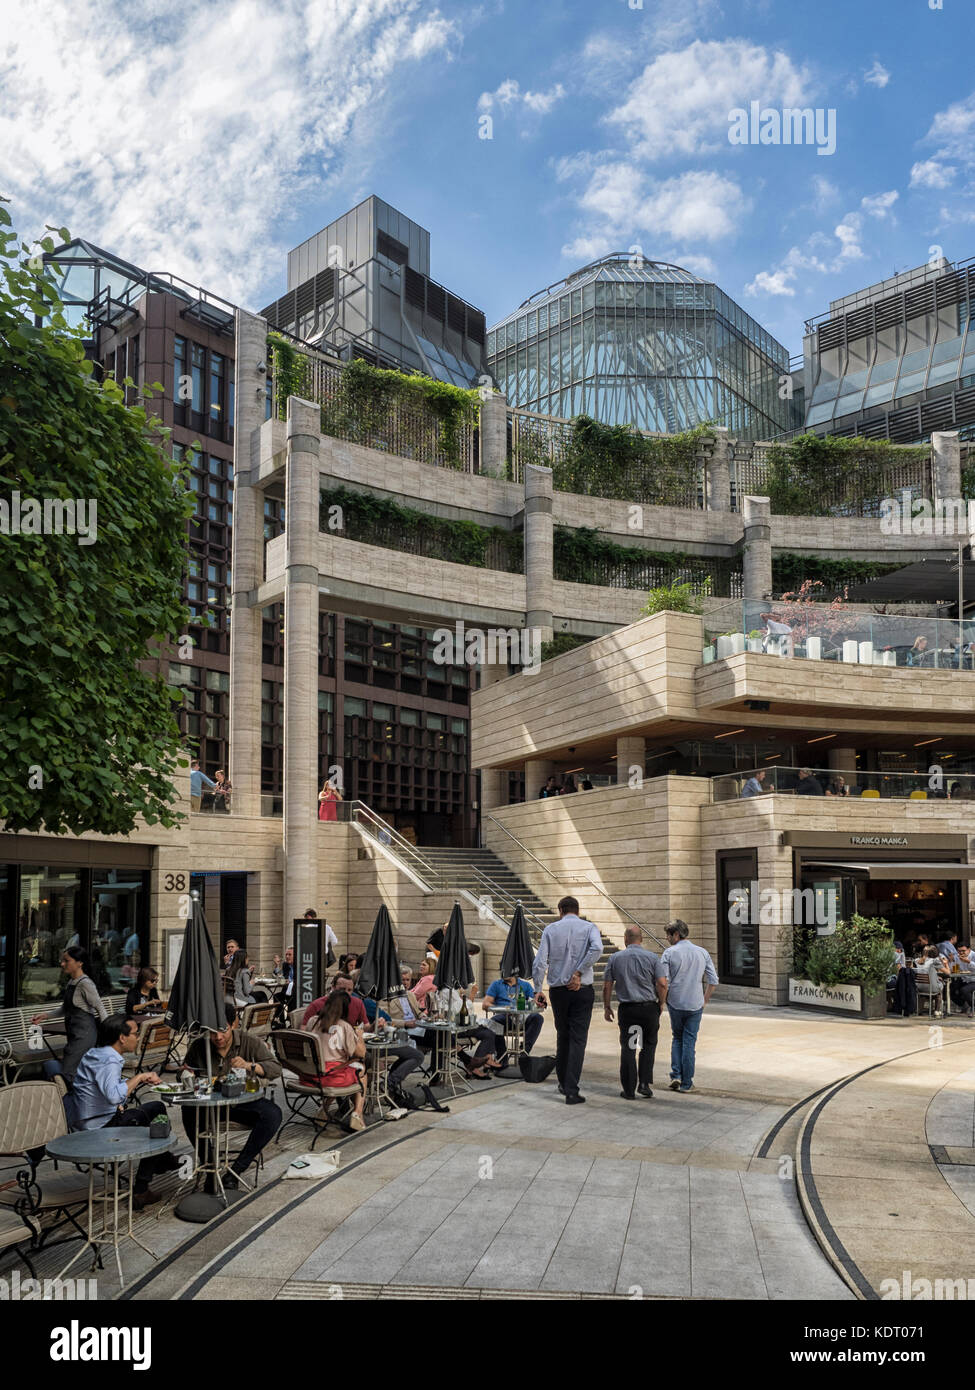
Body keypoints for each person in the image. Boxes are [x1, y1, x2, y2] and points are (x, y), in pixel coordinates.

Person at [70, 1016, 178, 1209]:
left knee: (153, 1110)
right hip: (100, 1129)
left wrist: (135, 1082)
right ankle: (143, 1187)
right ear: (122, 1037)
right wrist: (140, 1077)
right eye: (135, 1034)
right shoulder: (110, 1059)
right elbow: (113, 1096)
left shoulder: (96, 1053)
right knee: (156, 1125)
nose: (137, 1038)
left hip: (88, 1122)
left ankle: (163, 1160)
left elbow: (108, 1092)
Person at [183, 1003, 283, 1186]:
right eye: (212, 1032)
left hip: (242, 1103)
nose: (218, 1037)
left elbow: (275, 1068)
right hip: (211, 1106)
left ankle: (235, 1171)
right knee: (188, 1110)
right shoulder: (199, 1046)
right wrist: (188, 1076)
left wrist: (249, 1066)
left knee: (272, 1114)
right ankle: (210, 1167)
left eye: (223, 1030)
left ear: (233, 1024)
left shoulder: (248, 1041)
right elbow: (186, 1071)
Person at [532, 896, 600, 1105]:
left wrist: (537, 989)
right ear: (577, 910)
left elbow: (540, 962)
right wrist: (579, 972)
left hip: (559, 991)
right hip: (582, 990)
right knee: (578, 1039)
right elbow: (597, 949)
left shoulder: (551, 930)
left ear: (560, 910)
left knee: (563, 1035)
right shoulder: (589, 928)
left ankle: (562, 1083)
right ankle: (571, 1089)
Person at [32, 947, 108, 1088]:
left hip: (84, 1036)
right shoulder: (72, 982)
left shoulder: (85, 983)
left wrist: (109, 1033)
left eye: (66, 961)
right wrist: (45, 1016)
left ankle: (72, 1103)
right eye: (62, 960)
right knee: (74, 1071)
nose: (62, 964)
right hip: (74, 1034)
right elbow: (65, 1009)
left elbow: (100, 1008)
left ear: (79, 963)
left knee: (69, 1071)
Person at [658, 920, 718, 1095]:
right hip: (695, 1003)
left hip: (676, 1002)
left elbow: (664, 981)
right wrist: (704, 1000)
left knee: (677, 1038)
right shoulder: (702, 952)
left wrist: (663, 1001)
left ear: (676, 934)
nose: (667, 938)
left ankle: (675, 1074)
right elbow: (713, 980)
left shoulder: (669, 953)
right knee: (689, 1042)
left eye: (668, 935)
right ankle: (686, 1083)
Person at [602, 927, 662, 1100]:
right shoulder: (652, 958)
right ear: (641, 939)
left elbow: (607, 985)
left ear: (626, 939)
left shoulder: (615, 958)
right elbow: (662, 984)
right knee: (648, 1045)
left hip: (628, 1010)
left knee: (629, 1047)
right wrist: (662, 1003)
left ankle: (628, 1090)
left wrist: (607, 1006)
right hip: (649, 1008)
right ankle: (644, 1084)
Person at [306, 992, 367, 1131]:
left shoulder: (313, 1021)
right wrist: (360, 1036)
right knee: (361, 1070)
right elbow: (361, 1053)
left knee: (338, 1070)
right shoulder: (344, 1026)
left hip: (310, 1075)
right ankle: (358, 1113)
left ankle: (323, 1110)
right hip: (331, 1077)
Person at [482, 971, 544, 1063]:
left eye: (506, 969)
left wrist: (540, 1002)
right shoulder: (496, 984)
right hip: (504, 1016)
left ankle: (525, 1051)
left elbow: (536, 1001)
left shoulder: (525, 985)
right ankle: (502, 1055)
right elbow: (485, 1004)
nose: (504, 972)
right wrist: (502, 1008)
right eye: (502, 969)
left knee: (538, 1018)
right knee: (493, 1022)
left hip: (522, 1018)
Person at [302, 975, 368, 1028]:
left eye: (349, 990)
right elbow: (304, 1029)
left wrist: (374, 1026)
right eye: (342, 989)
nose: (346, 993)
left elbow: (366, 1026)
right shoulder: (316, 1005)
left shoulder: (358, 1003)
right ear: (333, 987)